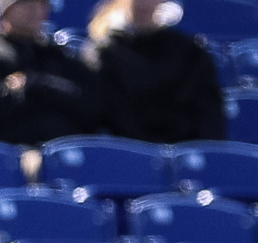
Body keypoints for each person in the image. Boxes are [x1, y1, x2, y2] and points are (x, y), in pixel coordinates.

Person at [0, 0, 101, 146]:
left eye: (40, 3)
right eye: (24, 2)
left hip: (64, 150)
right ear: (5, 9)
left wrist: (30, 84)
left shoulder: (57, 54)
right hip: (3, 150)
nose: (34, 9)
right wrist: (52, 92)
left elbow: (91, 102)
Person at [84, 0, 224, 145]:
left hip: (182, 151)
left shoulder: (190, 55)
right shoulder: (102, 56)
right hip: (123, 158)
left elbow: (209, 121)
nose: (142, 4)